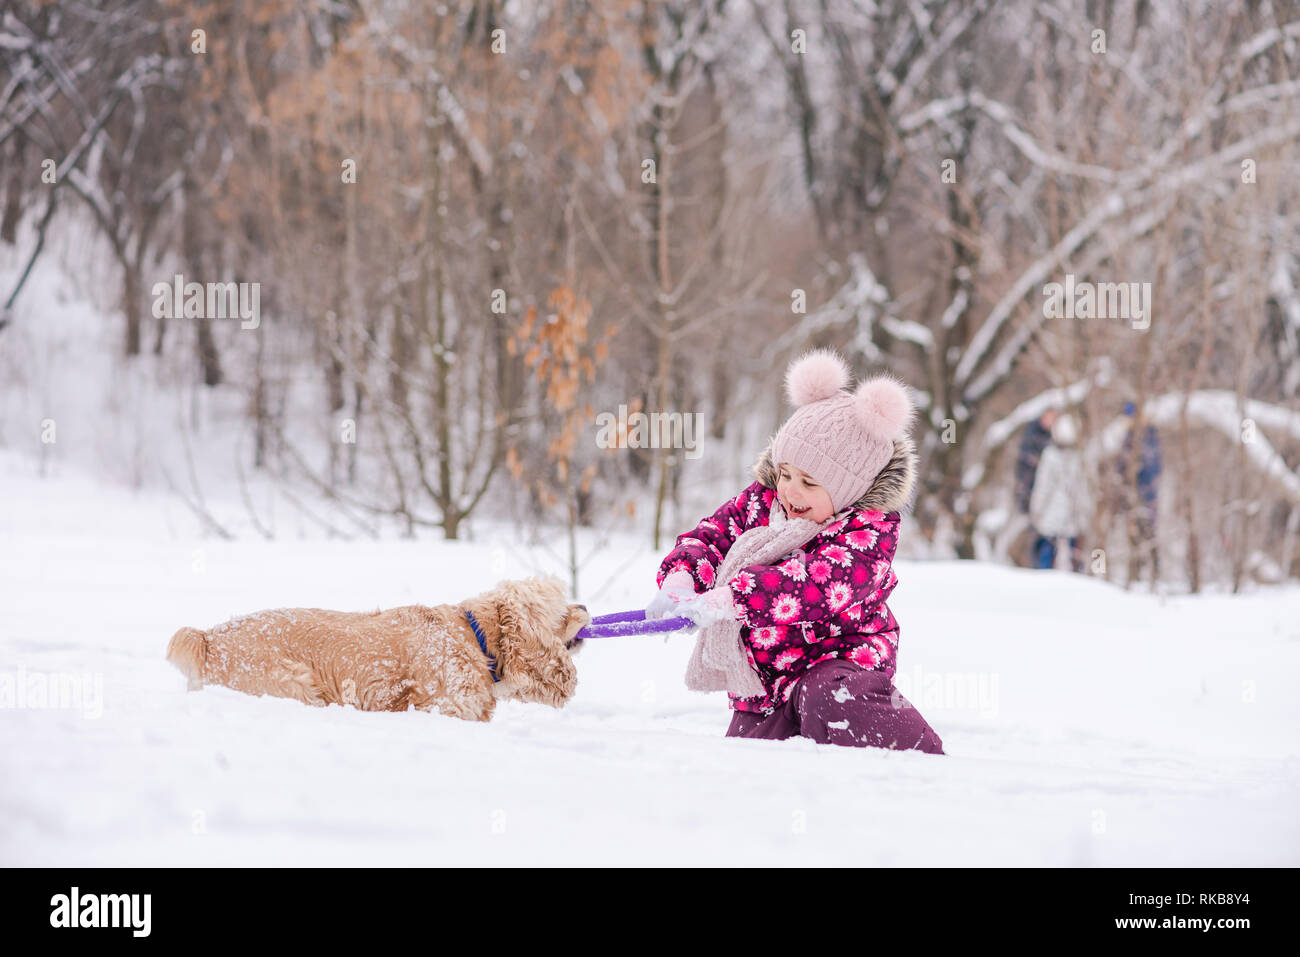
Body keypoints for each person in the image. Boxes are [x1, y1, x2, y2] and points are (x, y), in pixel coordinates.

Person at [646, 348, 944, 755]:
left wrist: (734, 597)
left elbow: (817, 583)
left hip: (839, 664)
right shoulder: (764, 504)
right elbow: (714, 535)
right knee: (752, 761)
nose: (790, 490)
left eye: (809, 482)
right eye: (786, 473)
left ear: (848, 490)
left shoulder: (868, 533)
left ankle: (919, 759)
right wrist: (683, 577)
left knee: (829, 699)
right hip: (766, 678)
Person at [1027, 413, 1090, 571]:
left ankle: (1045, 575)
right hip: (1071, 513)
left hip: (1053, 513)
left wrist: (1036, 509)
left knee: (1048, 550)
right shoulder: (1079, 456)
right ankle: (1073, 577)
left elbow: (1043, 486)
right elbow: (1084, 488)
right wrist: (1086, 512)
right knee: (1073, 551)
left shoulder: (1051, 456)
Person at [1117, 402, 1161, 584]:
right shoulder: (1129, 436)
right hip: (1132, 492)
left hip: (1146, 492)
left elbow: (1155, 466)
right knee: (1134, 533)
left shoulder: (1148, 436)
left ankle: (1153, 572)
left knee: (1149, 532)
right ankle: (1136, 572)